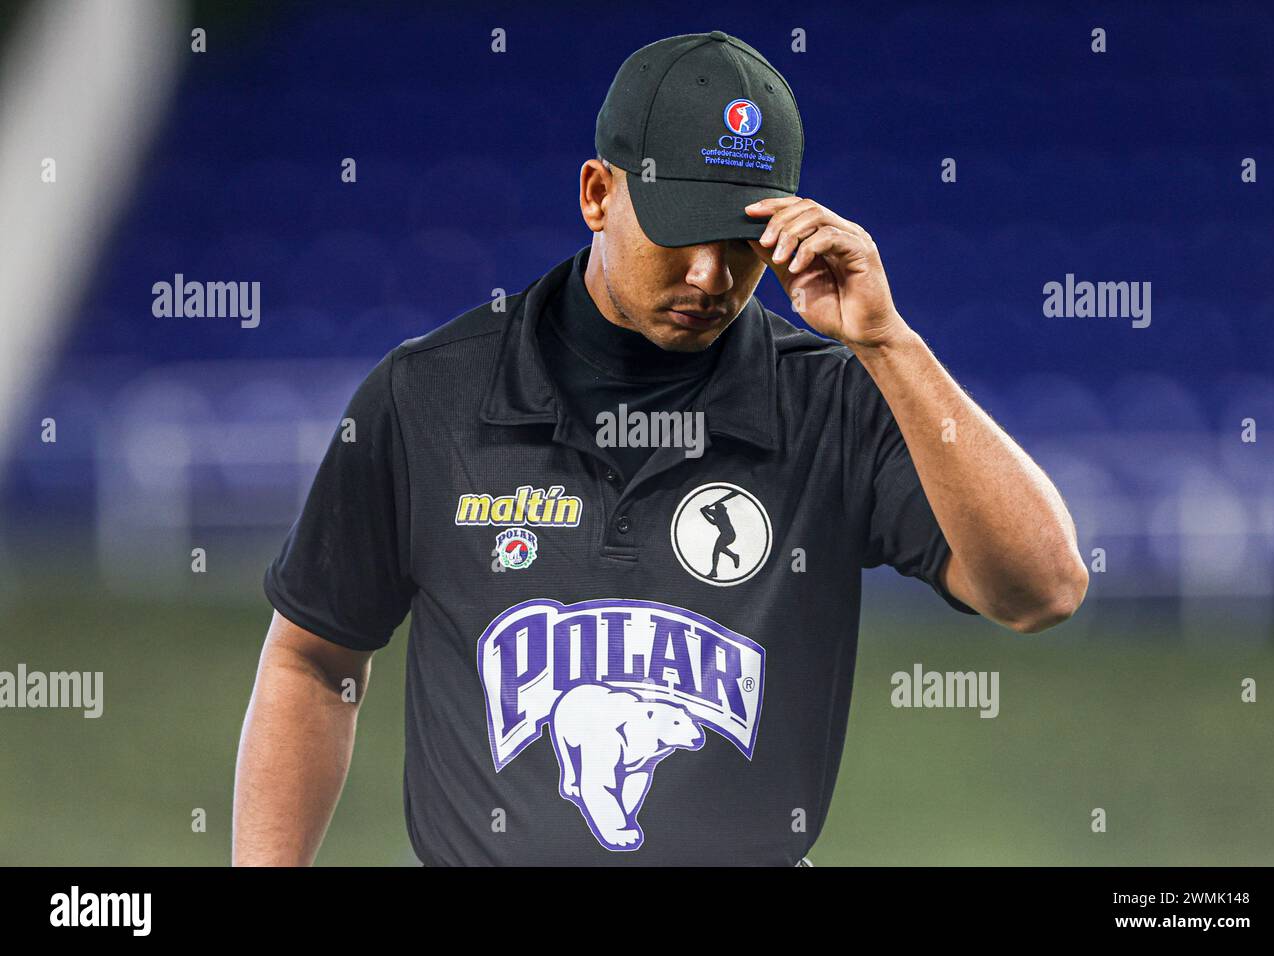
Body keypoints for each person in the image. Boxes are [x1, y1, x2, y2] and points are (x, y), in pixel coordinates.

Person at [234, 31, 1088, 866]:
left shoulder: (834, 402)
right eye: (683, 230)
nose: (711, 277)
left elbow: (1041, 588)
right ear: (597, 194)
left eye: (743, 240)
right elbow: (314, 659)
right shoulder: (428, 397)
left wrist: (889, 343)